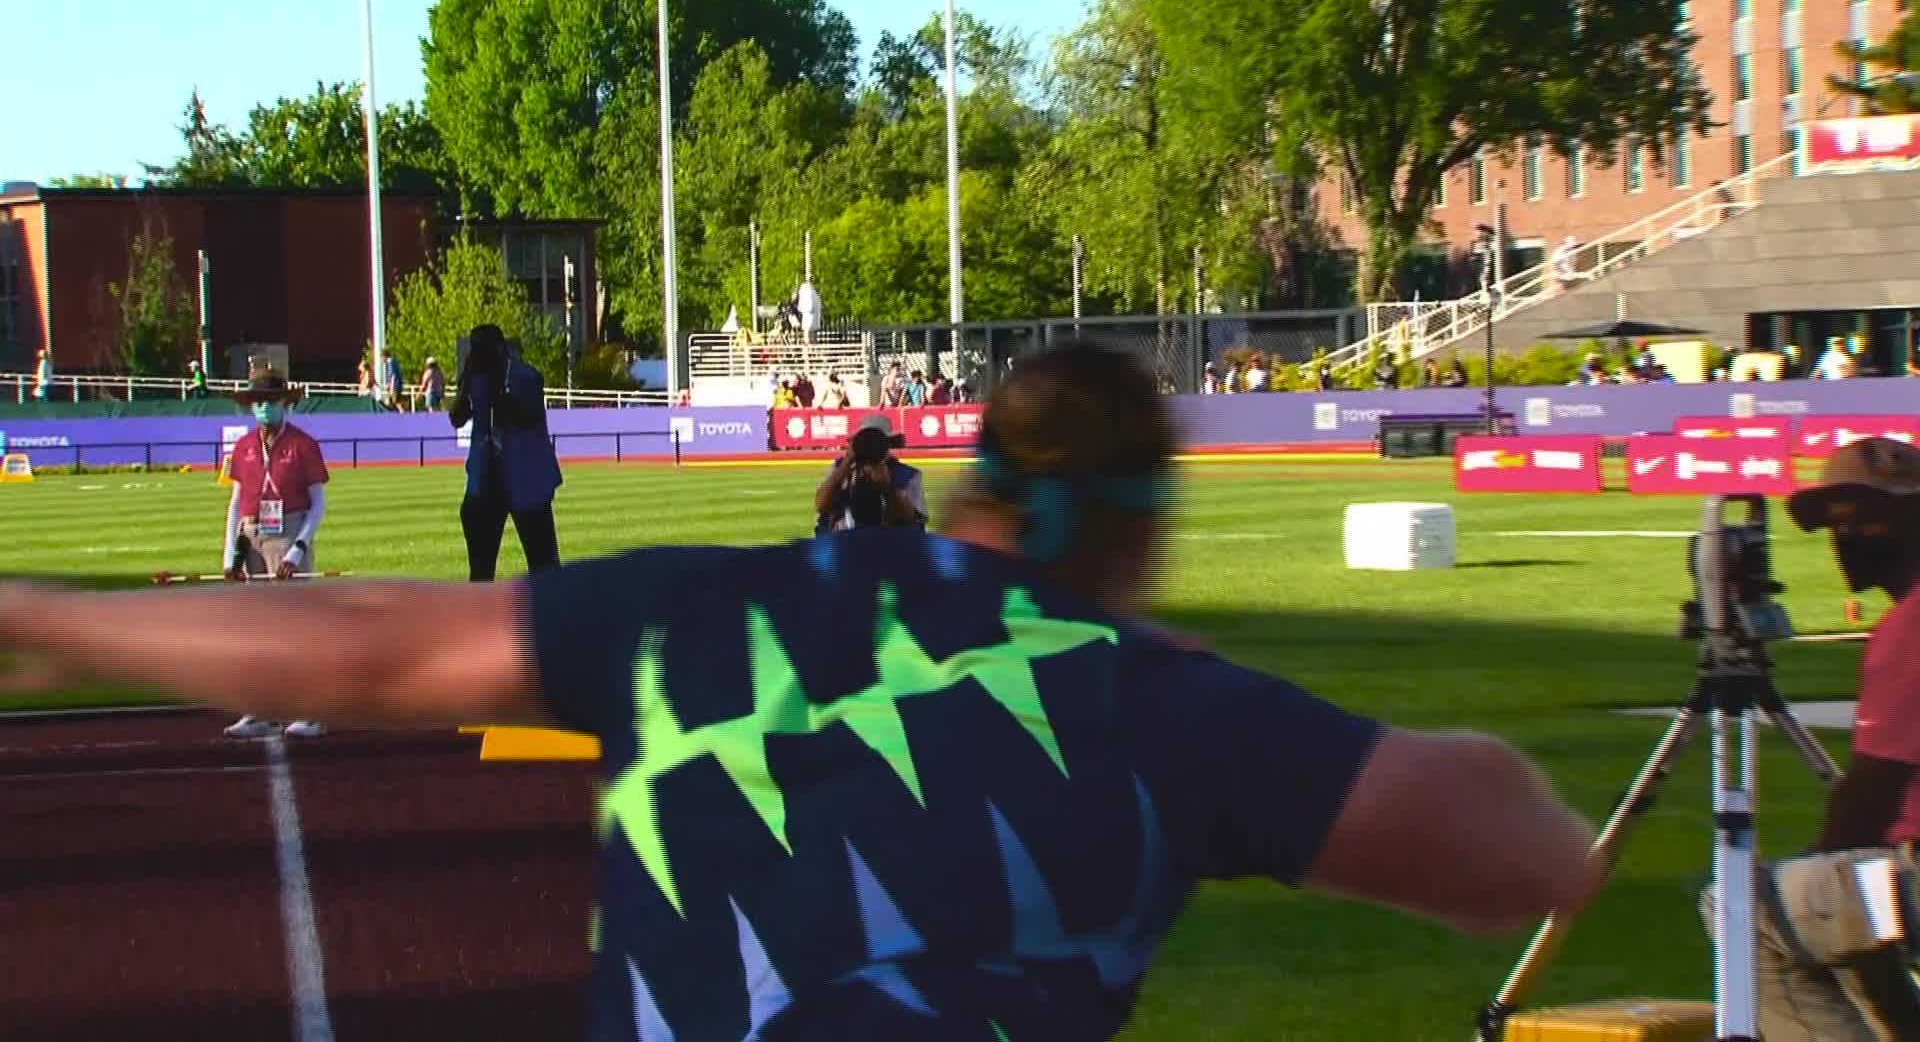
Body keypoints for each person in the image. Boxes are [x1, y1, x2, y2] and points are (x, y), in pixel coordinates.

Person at [0, 342, 1604, 1041]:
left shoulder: (710, 599)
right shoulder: (1163, 711)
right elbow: (1529, 857)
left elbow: (373, 644)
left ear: (974, 483)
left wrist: (57, 621)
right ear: (1140, 530)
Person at [1696, 437, 1920, 1041]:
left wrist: (1824, 865)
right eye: (1835, 526)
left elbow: (1872, 791)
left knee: (1747, 906)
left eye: (1863, 520)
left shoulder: (1911, 628)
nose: (1844, 540)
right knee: (1841, 904)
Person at [218, 364, 329, 740]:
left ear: (284, 403)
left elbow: (318, 503)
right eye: (257, 402)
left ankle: (310, 711)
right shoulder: (244, 447)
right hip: (252, 533)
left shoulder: (303, 444)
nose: (264, 408)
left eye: (271, 401)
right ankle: (259, 710)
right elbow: (235, 503)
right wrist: (230, 554)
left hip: (288, 531)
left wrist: (297, 550)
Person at [450, 324, 561, 582]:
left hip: (526, 478)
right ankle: (480, 617)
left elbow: (528, 414)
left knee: (543, 564)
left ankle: (551, 615)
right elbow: (456, 417)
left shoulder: (524, 377)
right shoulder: (474, 379)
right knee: (481, 569)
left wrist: (497, 399)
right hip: (486, 481)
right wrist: (467, 384)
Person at [814, 413, 928, 533]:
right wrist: (847, 462)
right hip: (844, 542)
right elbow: (822, 505)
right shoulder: (840, 468)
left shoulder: (908, 475)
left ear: (889, 444)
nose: (871, 447)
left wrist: (888, 487)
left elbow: (908, 519)